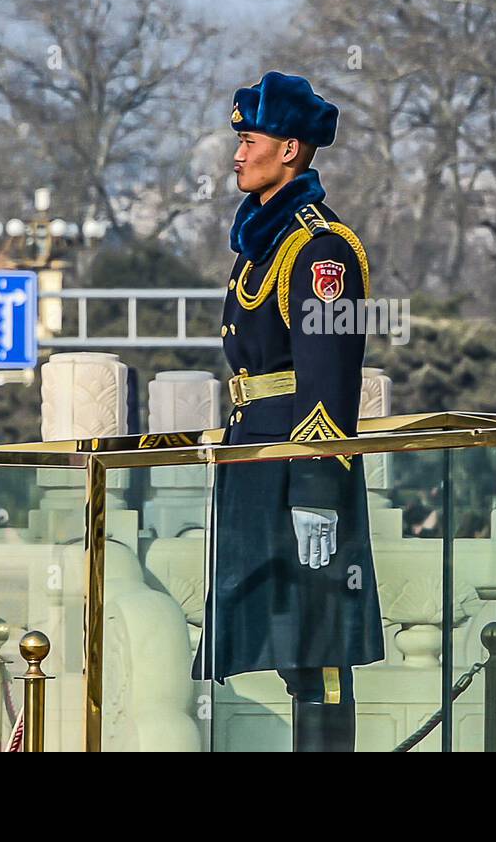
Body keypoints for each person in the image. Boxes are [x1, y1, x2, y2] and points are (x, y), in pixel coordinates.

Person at [193, 71, 383, 751]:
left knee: (318, 648)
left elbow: (328, 384)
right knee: (283, 647)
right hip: (256, 464)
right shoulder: (265, 247)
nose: (238, 154)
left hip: (297, 473)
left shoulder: (320, 249)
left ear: (291, 150)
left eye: (249, 140)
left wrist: (316, 487)